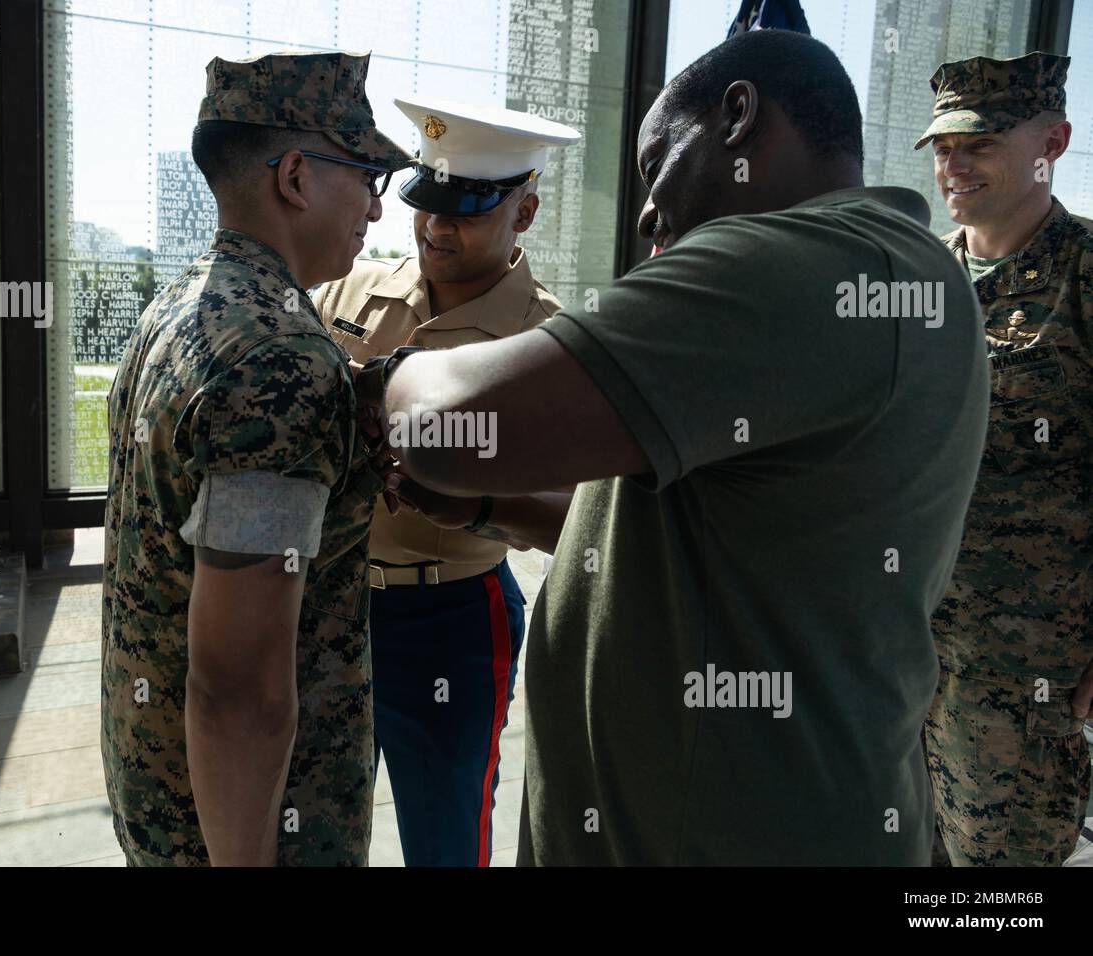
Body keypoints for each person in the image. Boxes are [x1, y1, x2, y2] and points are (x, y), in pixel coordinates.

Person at [360, 28, 989, 864]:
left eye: (656, 165)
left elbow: (445, 429)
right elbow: (691, 539)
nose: (649, 211)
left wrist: (382, 380)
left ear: (737, 117)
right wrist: (491, 504)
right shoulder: (881, 272)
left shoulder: (805, 263)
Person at [101, 50, 412, 866]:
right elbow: (239, 690)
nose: (377, 211)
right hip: (255, 828)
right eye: (368, 176)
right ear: (298, 178)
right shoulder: (280, 357)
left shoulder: (186, 302)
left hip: (162, 792)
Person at [313, 97, 578, 866]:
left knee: (446, 831)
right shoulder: (348, 293)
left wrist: (478, 502)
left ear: (524, 211)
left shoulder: (547, 342)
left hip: (452, 622)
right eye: (426, 204)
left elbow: (581, 513)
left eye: (464, 211)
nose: (434, 227)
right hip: (333, 600)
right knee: (316, 823)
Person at [916, 51, 1093, 867]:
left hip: (1026, 679)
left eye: (980, 142)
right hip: (905, 662)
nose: (954, 164)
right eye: (944, 147)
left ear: (1050, 141)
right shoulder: (920, 279)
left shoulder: (1083, 275)